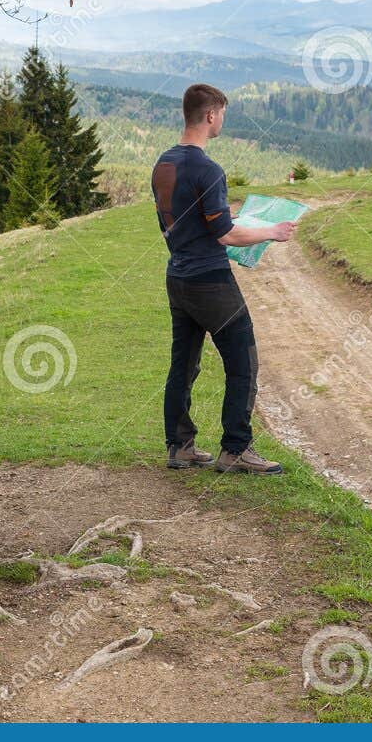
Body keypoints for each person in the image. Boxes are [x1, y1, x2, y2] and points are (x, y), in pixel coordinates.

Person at [151, 84, 297, 474]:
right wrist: (272, 232)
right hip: (211, 281)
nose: (222, 121)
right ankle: (236, 449)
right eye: (223, 114)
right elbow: (226, 234)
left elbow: (181, 223)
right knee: (243, 361)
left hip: (177, 277)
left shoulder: (163, 164)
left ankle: (179, 446)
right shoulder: (208, 170)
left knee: (183, 364)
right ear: (212, 115)